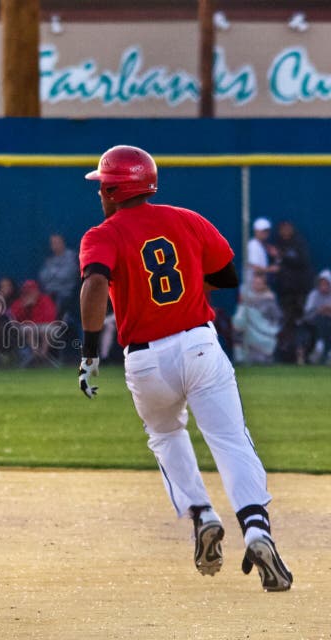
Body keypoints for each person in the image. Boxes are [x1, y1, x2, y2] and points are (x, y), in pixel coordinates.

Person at [78, 145, 292, 592]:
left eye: (103, 185)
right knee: (231, 439)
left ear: (116, 191)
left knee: (166, 435)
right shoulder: (186, 219)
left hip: (145, 359)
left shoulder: (102, 233)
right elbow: (229, 276)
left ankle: (202, 514)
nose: (101, 193)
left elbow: (96, 281)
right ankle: (256, 528)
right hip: (199, 344)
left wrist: (89, 353)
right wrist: (191, 282)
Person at [272, 220, 313, 362]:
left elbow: (301, 261)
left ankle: (303, 353)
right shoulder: (278, 244)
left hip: (300, 292)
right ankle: (288, 354)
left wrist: (282, 255)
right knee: (287, 323)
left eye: (287, 228)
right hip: (286, 294)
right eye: (282, 229)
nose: (285, 231)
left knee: (301, 322)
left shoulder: (298, 243)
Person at [232, 273, 283, 364]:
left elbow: (277, 319)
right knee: (241, 312)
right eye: (254, 283)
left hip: (265, 332)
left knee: (243, 312)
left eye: (259, 283)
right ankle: (239, 351)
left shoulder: (270, 299)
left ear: (264, 285)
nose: (256, 285)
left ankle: (239, 349)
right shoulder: (248, 297)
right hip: (248, 330)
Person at [9, 279, 58, 367]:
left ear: (37, 290)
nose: (30, 293)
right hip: (27, 328)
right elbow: (15, 319)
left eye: (32, 290)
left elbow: (50, 317)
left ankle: (43, 353)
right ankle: (35, 353)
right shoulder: (20, 302)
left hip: (44, 326)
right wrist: (25, 308)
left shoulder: (45, 299)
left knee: (45, 329)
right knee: (29, 328)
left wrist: (34, 310)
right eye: (27, 290)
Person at [298, 268, 331, 365]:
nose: (324, 286)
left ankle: (323, 351)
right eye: (322, 283)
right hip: (314, 325)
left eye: (326, 284)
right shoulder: (313, 295)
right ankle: (317, 348)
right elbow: (307, 314)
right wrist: (319, 311)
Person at [243, 217, 279, 292]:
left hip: (260, 286)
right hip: (252, 287)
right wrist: (271, 269)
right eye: (263, 231)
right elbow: (254, 268)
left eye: (267, 231)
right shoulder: (253, 245)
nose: (265, 234)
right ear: (256, 231)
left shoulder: (263, 245)